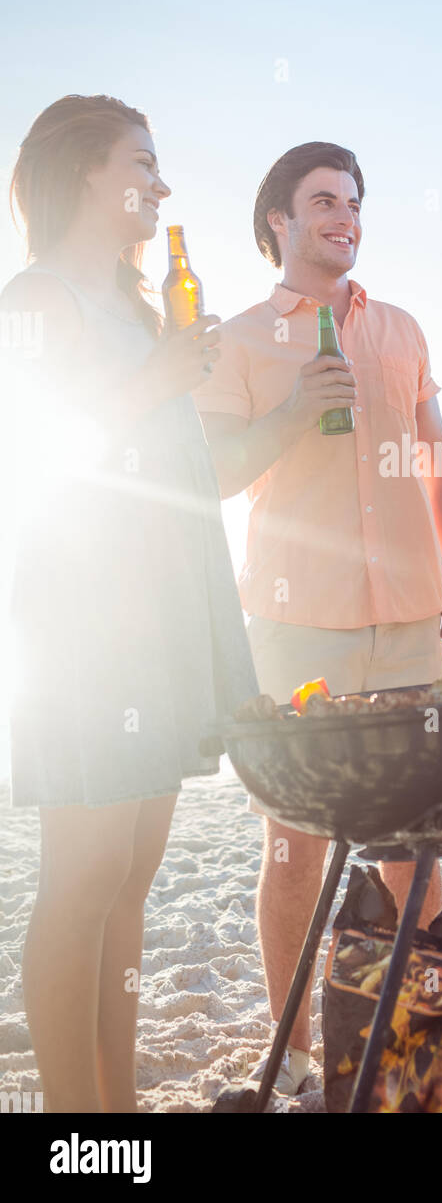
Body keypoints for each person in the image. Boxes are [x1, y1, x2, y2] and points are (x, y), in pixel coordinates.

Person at [194, 141, 442, 1096]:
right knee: (294, 846)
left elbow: (439, 458)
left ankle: (412, 1041)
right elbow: (212, 479)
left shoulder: (398, 329)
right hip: (294, 627)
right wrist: (287, 415)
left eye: (353, 201)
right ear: (278, 219)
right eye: (323, 200)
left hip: (407, 619)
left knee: (414, 844)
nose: (344, 216)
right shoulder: (236, 340)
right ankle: (300, 1055)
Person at [0, 94, 258, 1113]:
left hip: (163, 612)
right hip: (82, 618)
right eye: (141, 163)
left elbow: (187, 465)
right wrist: (152, 383)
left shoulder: (137, 309)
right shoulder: (38, 297)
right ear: (80, 173)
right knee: (85, 870)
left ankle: (117, 1113)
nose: (159, 184)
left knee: (132, 875)